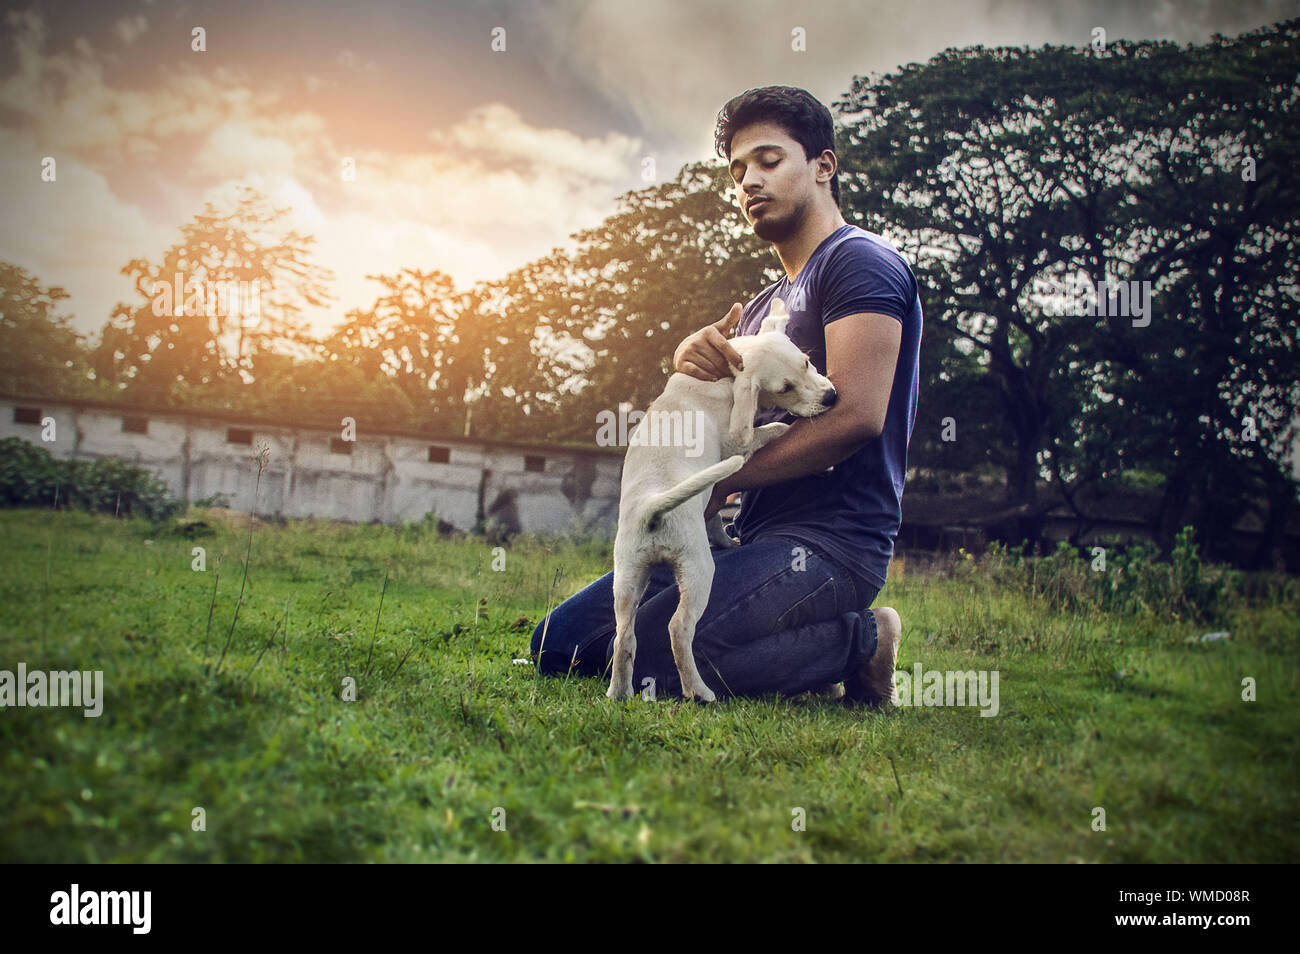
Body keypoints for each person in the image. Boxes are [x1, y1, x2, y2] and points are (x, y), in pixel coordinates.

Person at [531, 85, 922, 706]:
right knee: (559, 645)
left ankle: (861, 641)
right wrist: (685, 362)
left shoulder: (859, 263)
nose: (748, 182)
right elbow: (709, 418)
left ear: (823, 166)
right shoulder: (763, 308)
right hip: (741, 536)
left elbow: (856, 417)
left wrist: (719, 483)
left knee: (658, 662)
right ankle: (769, 645)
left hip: (829, 543)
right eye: (737, 170)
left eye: (769, 161)